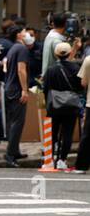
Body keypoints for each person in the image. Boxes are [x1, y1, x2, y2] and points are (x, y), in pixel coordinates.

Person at [44, 41, 82, 169]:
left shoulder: (51, 69)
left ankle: (50, 158)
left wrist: (47, 103)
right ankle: (62, 159)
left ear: (56, 54)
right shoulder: (76, 68)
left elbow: (46, 88)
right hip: (71, 104)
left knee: (53, 132)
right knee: (68, 133)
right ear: (70, 53)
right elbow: (80, 86)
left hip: (55, 104)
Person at [2, 26, 36, 167]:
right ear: (18, 35)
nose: (27, 33)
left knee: (13, 121)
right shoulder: (22, 49)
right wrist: (24, 90)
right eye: (24, 32)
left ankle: (15, 150)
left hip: (9, 88)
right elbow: (21, 70)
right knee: (17, 122)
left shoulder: (13, 49)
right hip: (17, 89)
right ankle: (10, 155)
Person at [43, 12, 69, 76]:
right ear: (66, 24)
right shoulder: (57, 41)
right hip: (54, 78)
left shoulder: (50, 36)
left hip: (48, 76)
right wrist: (75, 48)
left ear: (53, 24)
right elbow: (65, 62)